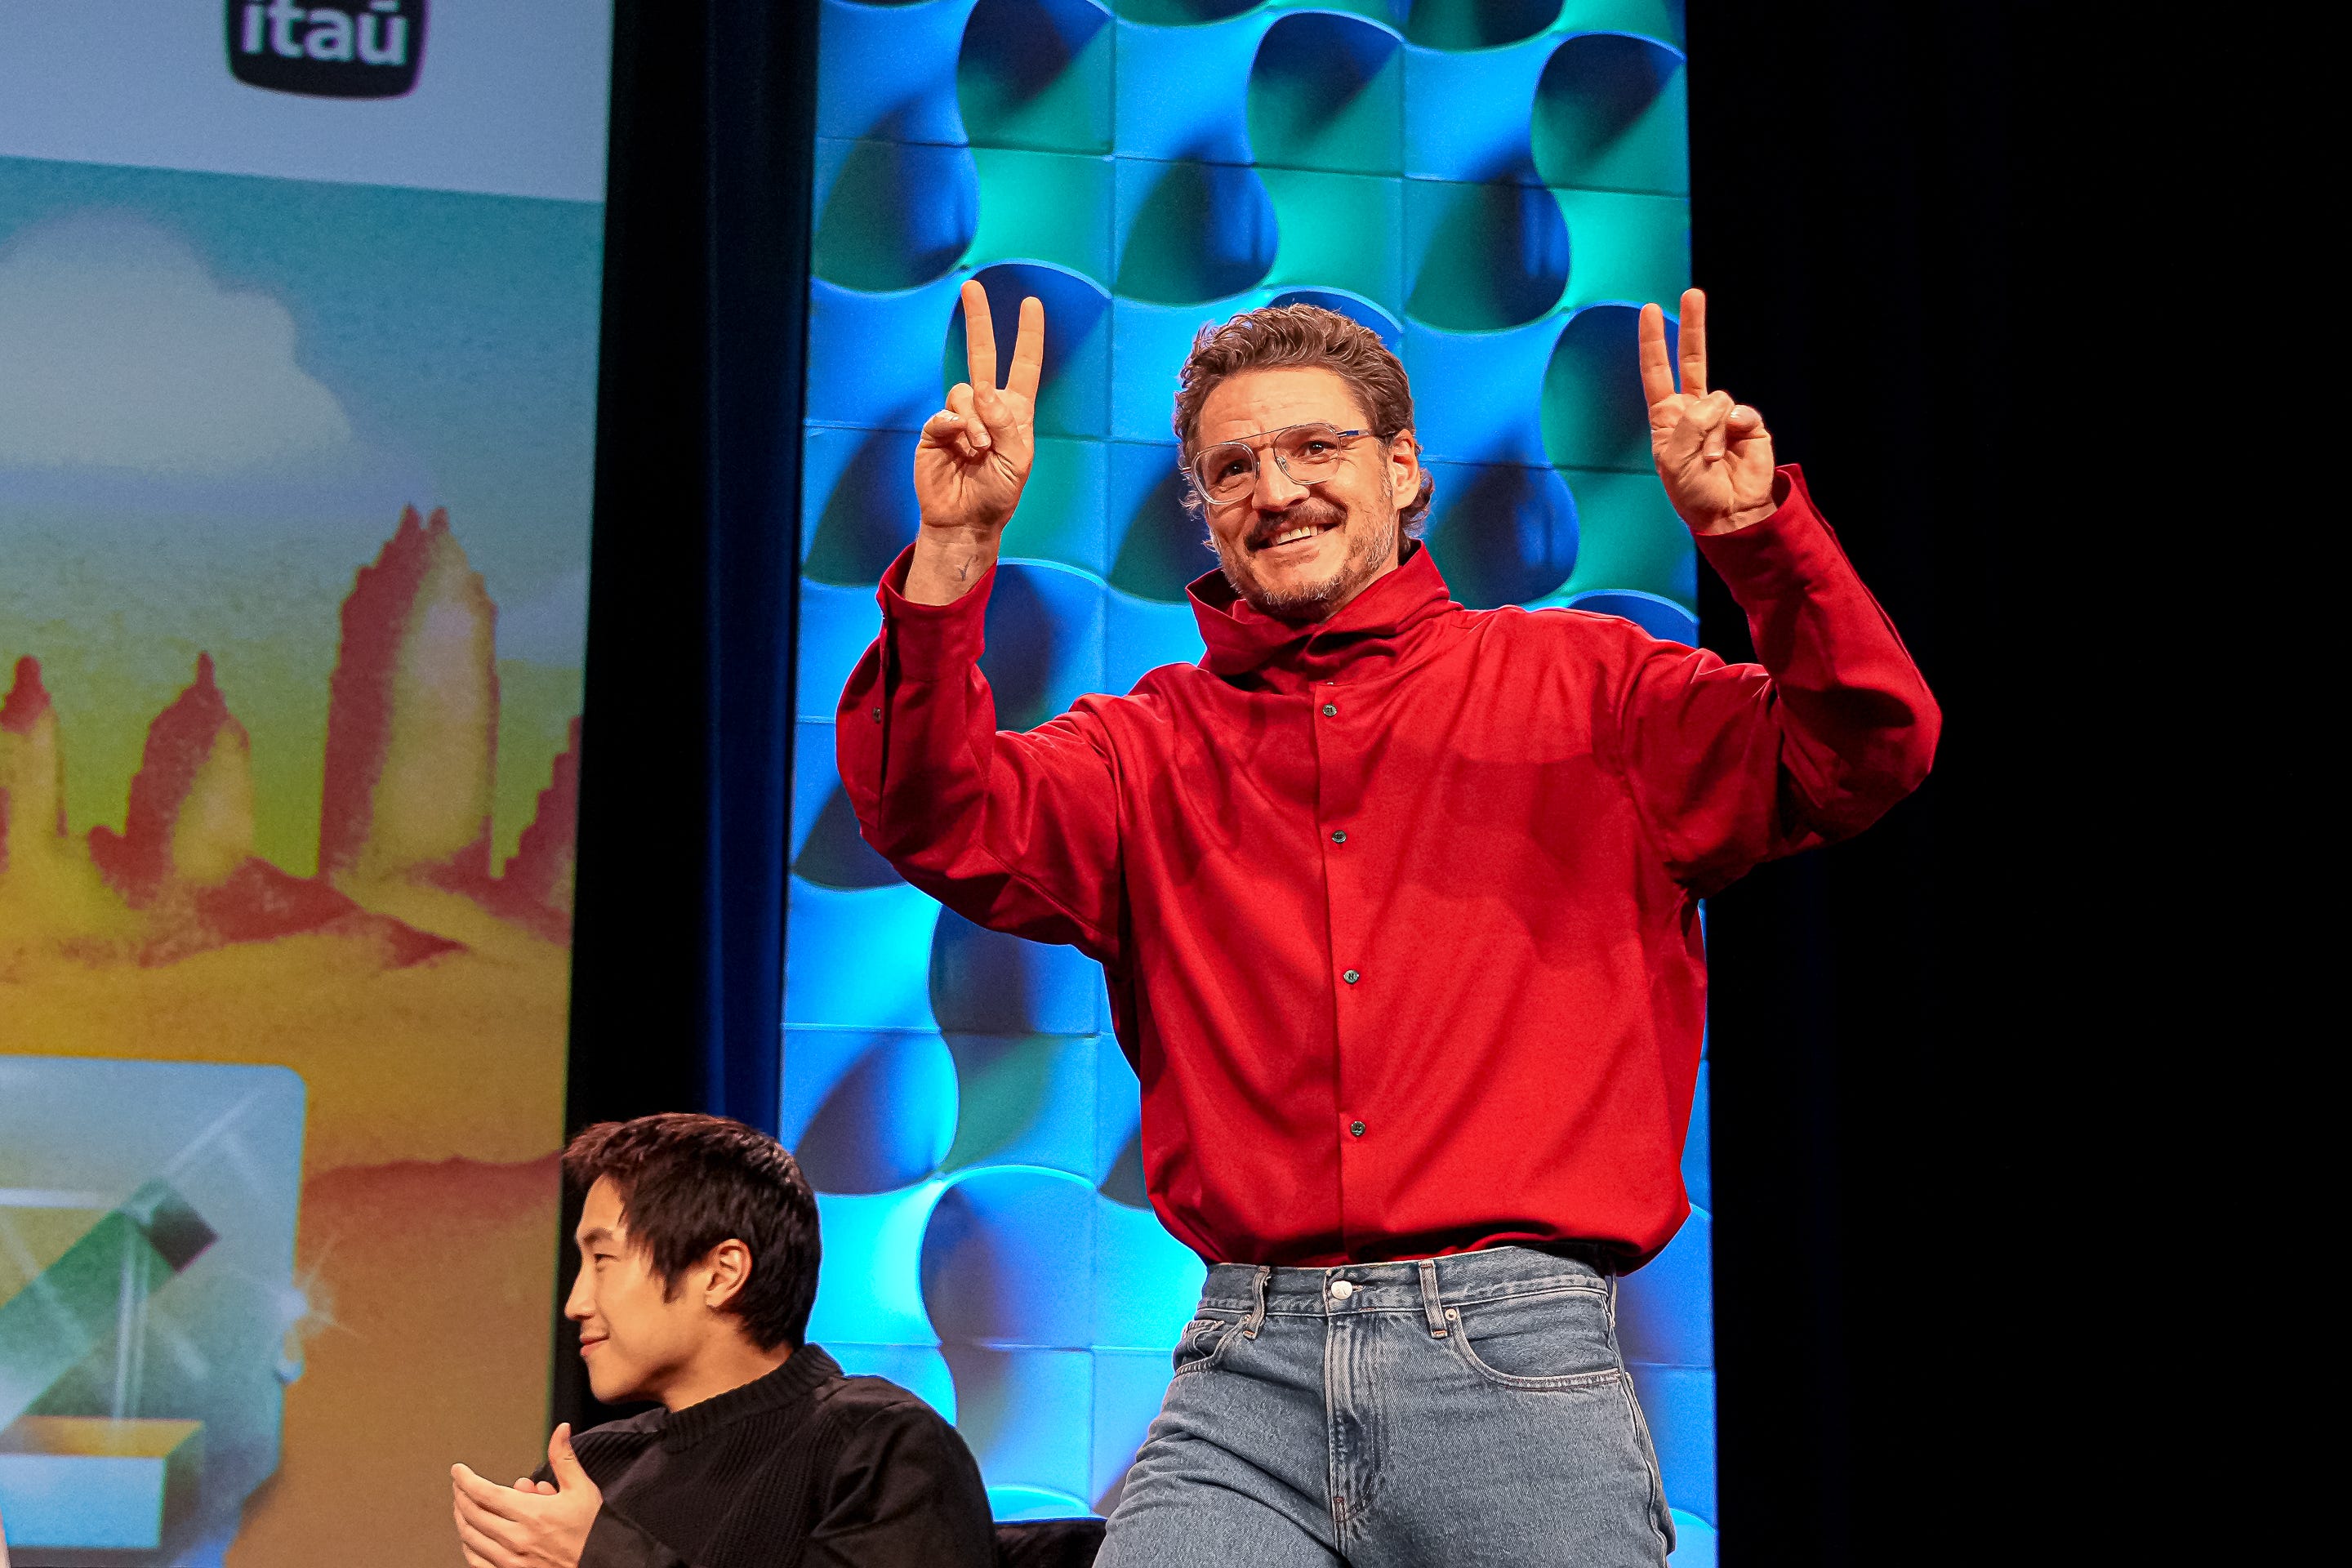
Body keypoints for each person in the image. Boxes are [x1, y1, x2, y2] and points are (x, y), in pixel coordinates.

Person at [836, 282, 1937, 1566]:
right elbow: (932, 811)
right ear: (1203, 509)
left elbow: (1867, 745)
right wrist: (954, 561)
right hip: (1244, 1370)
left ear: (1404, 467)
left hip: (1510, 1351)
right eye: (1232, 467)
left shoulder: (1594, 690)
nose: (1275, 488)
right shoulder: (1145, 751)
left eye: (1317, 447)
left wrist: (1758, 539)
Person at [448, 1114, 994, 1568]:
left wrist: (602, 1557)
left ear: (720, 1273)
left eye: (603, 1260)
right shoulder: (594, 1467)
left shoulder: (878, 1445)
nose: (576, 1303)